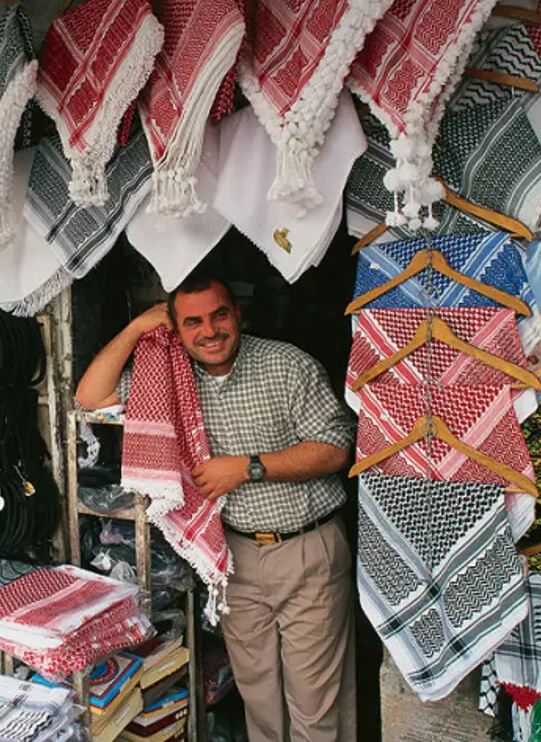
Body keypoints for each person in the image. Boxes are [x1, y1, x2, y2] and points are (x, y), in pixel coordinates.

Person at [76, 271, 355, 742]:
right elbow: (90, 396)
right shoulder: (168, 379)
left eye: (219, 315)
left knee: (316, 707)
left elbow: (336, 448)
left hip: (306, 551)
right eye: (192, 322)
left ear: (238, 314)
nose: (209, 331)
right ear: (176, 330)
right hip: (234, 562)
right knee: (259, 698)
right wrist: (137, 329)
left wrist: (247, 467)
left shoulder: (288, 366)